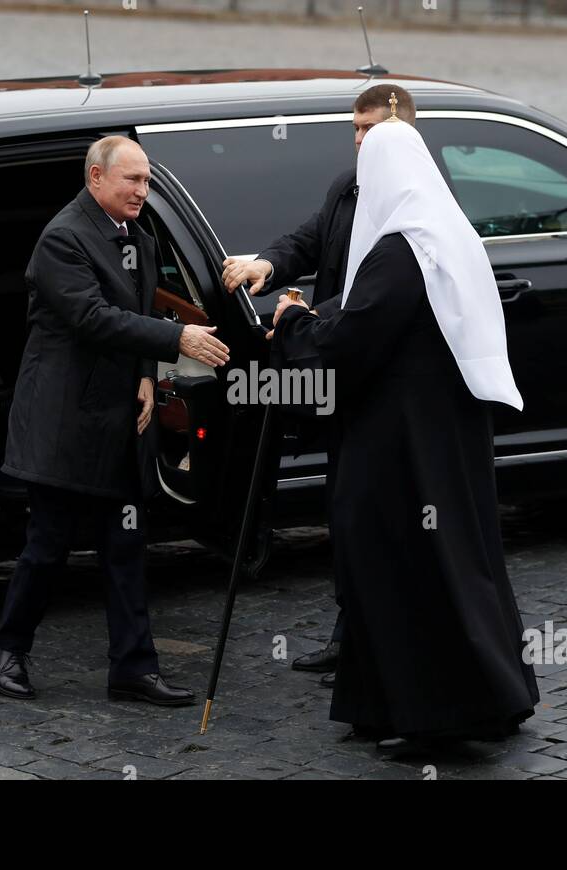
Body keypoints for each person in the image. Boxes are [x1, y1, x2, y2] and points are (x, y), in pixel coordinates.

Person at [269, 112, 539, 753]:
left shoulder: (400, 249)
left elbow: (352, 339)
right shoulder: (446, 234)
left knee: (403, 563)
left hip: (403, 445)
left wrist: (293, 324)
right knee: (456, 560)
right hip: (447, 437)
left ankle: (437, 716)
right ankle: (403, 704)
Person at [0, 136, 230, 704]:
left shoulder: (139, 237)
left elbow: (136, 312)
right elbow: (93, 318)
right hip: (63, 421)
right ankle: (9, 649)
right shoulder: (63, 238)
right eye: (133, 180)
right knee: (47, 548)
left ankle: (133, 668)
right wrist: (177, 338)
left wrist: (146, 373)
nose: (143, 191)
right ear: (96, 177)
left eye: (147, 181)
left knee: (126, 546)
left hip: (121, 419)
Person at [222, 85, 417, 685]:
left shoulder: (413, 202)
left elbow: (373, 300)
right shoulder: (347, 186)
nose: (358, 140)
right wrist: (267, 263)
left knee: (378, 516)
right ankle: (348, 630)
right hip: (342, 379)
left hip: (383, 385)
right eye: (354, 129)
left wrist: (302, 319)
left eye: (369, 130)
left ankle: (374, 643)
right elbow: (310, 239)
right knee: (345, 509)